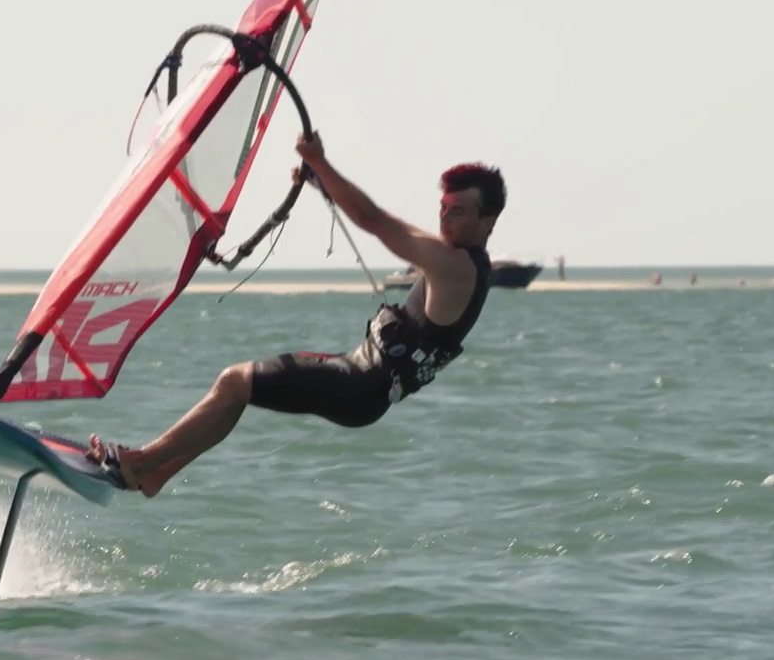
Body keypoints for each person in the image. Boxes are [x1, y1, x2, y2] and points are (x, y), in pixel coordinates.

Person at [84, 131, 507, 497]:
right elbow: (391, 220)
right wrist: (324, 184)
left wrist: (319, 161)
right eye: (444, 207)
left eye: (460, 211)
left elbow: (373, 220)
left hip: (359, 386)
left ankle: (139, 463)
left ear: (488, 221)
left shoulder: (455, 268)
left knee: (235, 382)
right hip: (358, 378)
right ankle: (158, 472)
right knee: (240, 388)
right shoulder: (457, 257)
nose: (446, 218)